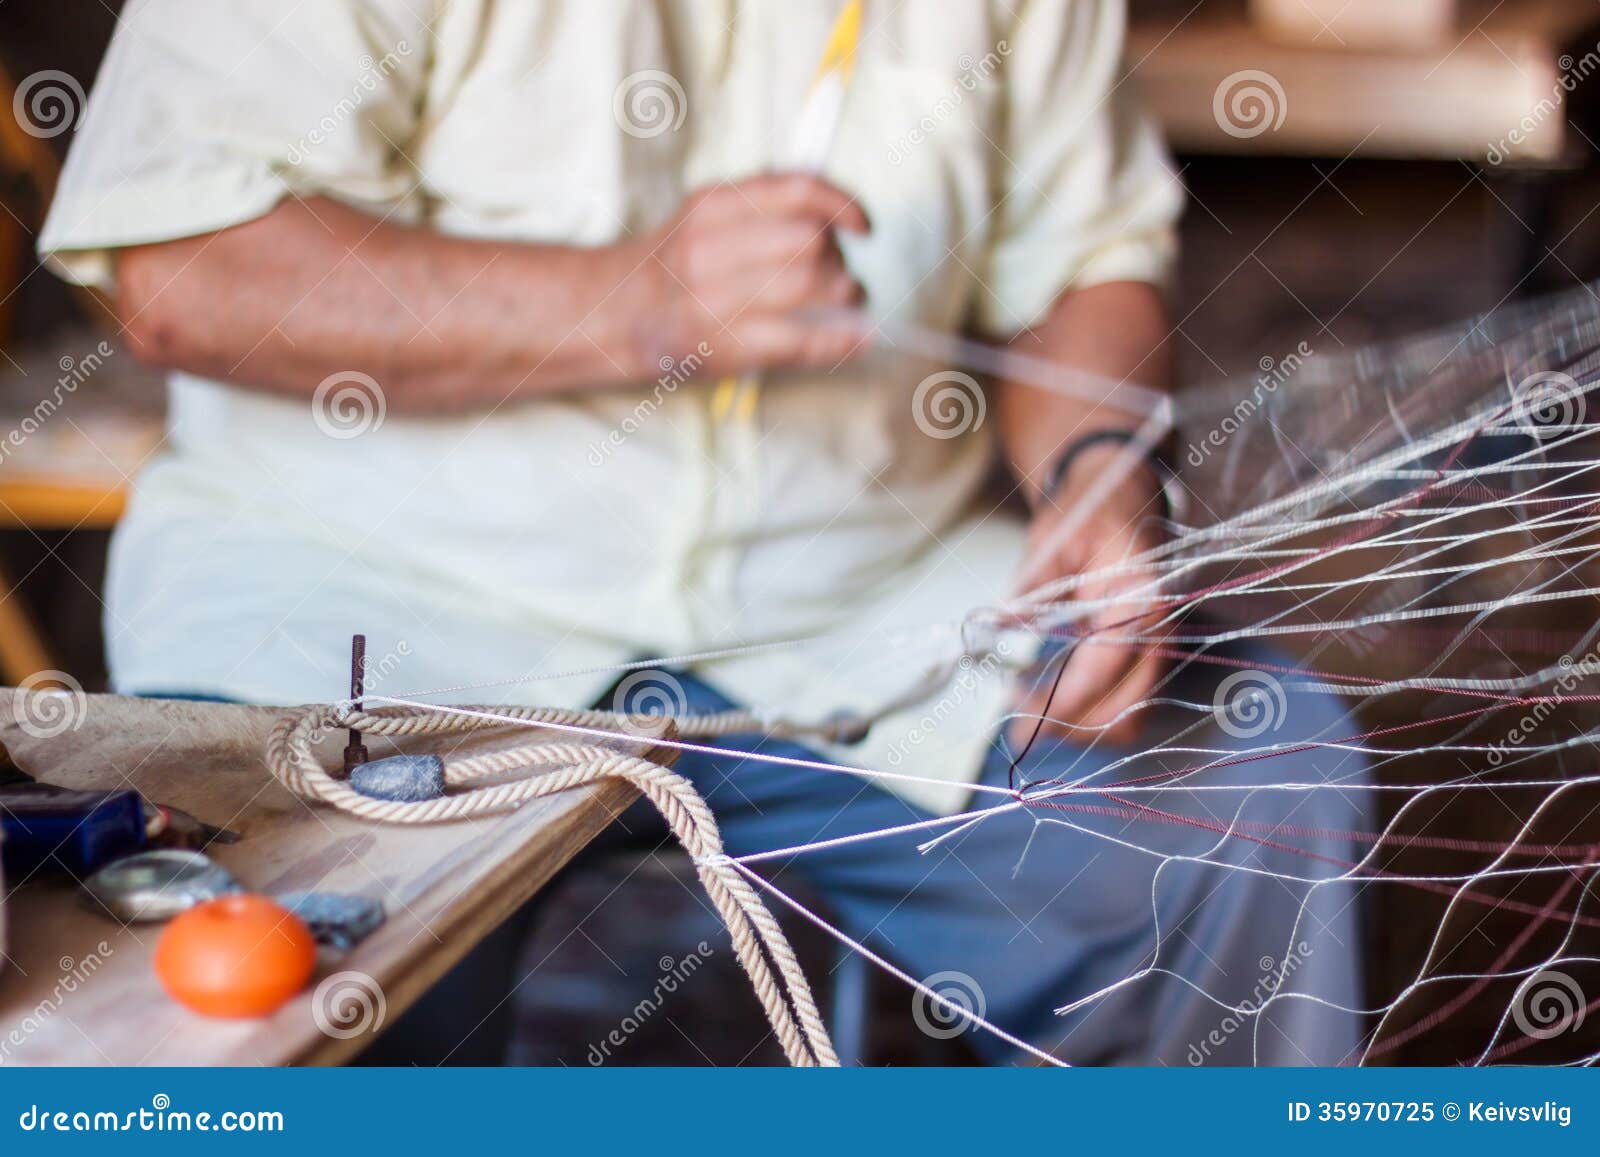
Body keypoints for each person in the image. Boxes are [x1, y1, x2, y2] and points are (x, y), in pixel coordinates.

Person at [40, 0, 1369, 1064]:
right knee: (284, 989)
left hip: (862, 599)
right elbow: (185, 266)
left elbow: (1086, 258)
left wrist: (1094, 473)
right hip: (371, 597)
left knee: (1255, 793)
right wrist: (640, 301)